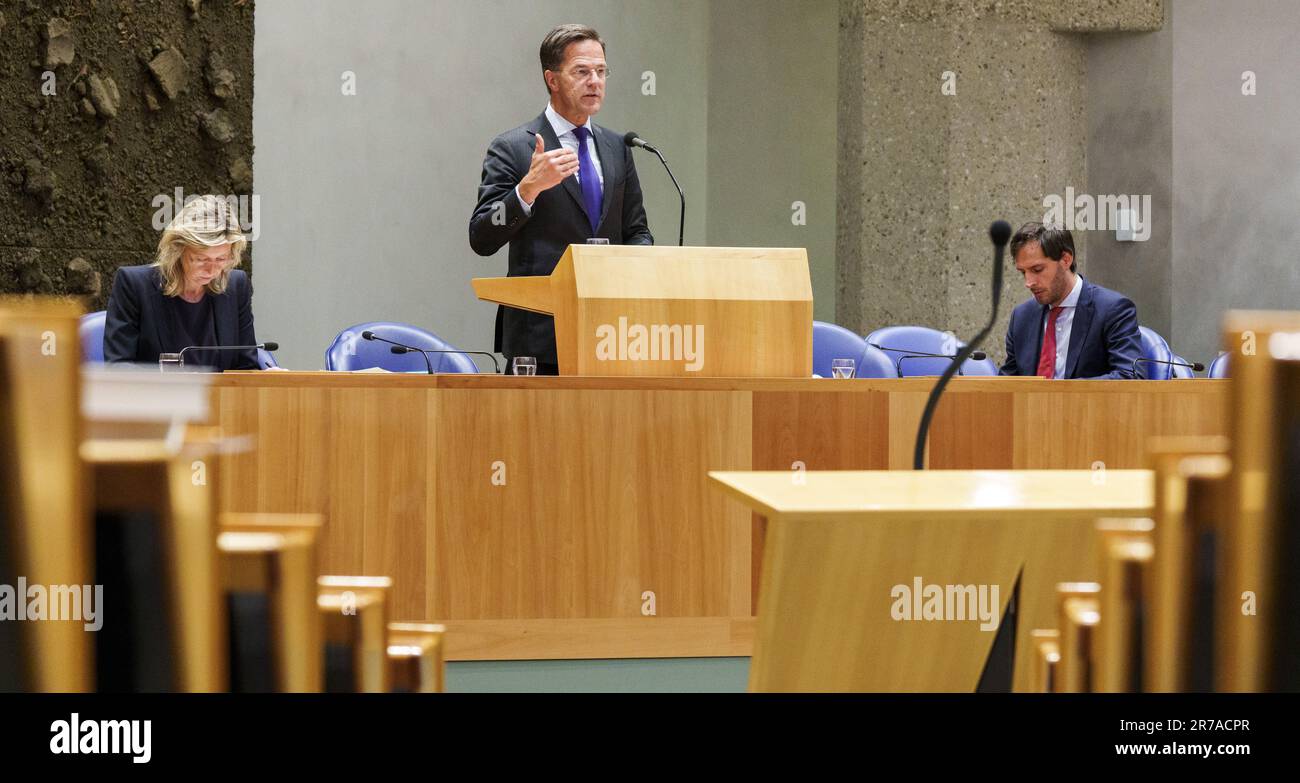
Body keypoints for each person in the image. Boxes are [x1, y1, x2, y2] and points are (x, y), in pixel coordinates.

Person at [469, 24, 654, 375]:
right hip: (539, 341)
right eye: (581, 72)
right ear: (552, 80)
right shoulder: (514, 148)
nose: (595, 81)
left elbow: (637, 230)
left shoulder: (618, 148)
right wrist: (527, 190)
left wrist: (635, 267)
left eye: (601, 72)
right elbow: (481, 235)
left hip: (610, 335)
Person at [104, 194, 261, 370]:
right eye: (201, 259)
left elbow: (247, 365)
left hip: (222, 397)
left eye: (221, 259)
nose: (212, 270)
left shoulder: (236, 285)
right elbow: (119, 367)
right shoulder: (134, 285)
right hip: (156, 396)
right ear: (178, 250)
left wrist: (270, 378)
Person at [999, 222, 1143, 379]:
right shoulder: (1022, 317)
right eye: (1023, 272)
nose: (1029, 282)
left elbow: (1130, 377)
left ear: (1066, 260)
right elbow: (1008, 384)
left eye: (1037, 270)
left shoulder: (1113, 310)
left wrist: (1063, 394)